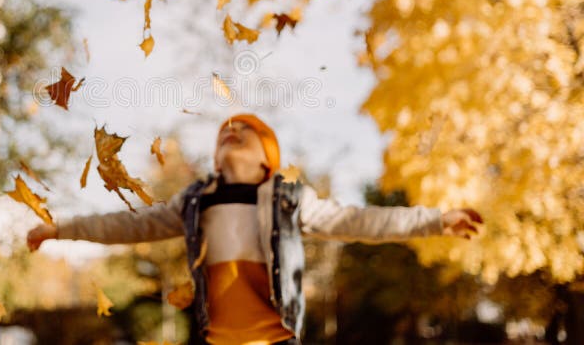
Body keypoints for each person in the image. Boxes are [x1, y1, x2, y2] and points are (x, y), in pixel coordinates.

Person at [27, 113, 483, 345]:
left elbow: (360, 220)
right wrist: (60, 229)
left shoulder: (288, 200)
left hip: (274, 338)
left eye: (242, 132)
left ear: (267, 157)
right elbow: (127, 225)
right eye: (224, 132)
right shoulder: (195, 201)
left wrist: (435, 219)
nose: (230, 131)